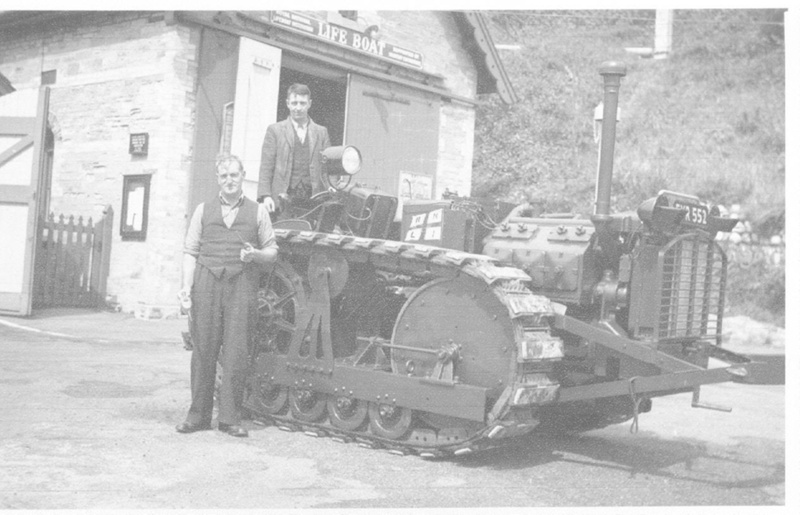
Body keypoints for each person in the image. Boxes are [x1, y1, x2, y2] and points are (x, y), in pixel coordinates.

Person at [176, 154, 278, 438]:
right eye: (224, 176)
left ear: (242, 175)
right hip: (206, 282)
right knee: (203, 351)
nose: (229, 181)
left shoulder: (258, 212)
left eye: (234, 175)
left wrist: (255, 254)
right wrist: (186, 287)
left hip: (242, 284)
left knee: (236, 352)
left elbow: (272, 251)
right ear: (217, 179)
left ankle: (230, 418)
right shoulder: (202, 210)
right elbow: (190, 252)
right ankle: (197, 416)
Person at [257, 83, 331, 215]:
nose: (298, 108)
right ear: (287, 103)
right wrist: (266, 196)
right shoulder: (275, 130)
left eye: (302, 103)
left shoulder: (321, 132)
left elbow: (329, 165)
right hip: (283, 198)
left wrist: (331, 187)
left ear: (309, 104)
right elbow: (266, 167)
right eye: (294, 103)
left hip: (313, 199)